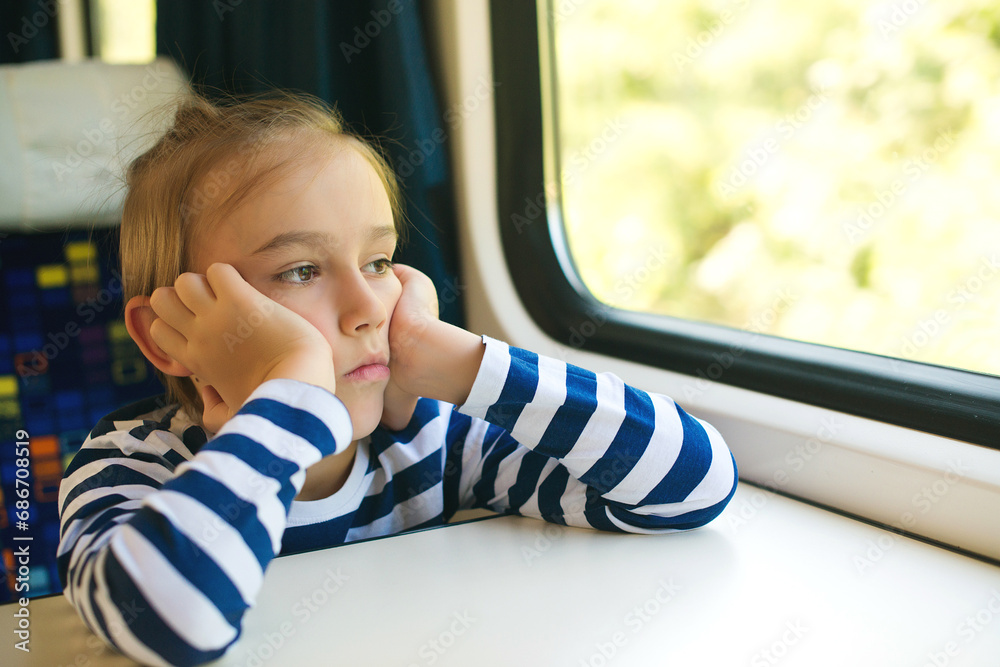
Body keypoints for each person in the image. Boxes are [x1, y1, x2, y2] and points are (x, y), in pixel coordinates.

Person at [57, 90, 738, 666]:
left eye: (378, 263)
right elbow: (170, 622)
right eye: (300, 271)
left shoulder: (427, 441)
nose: (366, 309)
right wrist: (292, 390)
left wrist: (459, 361)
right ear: (167, 333)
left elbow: (692, 486)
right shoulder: (130, 465)